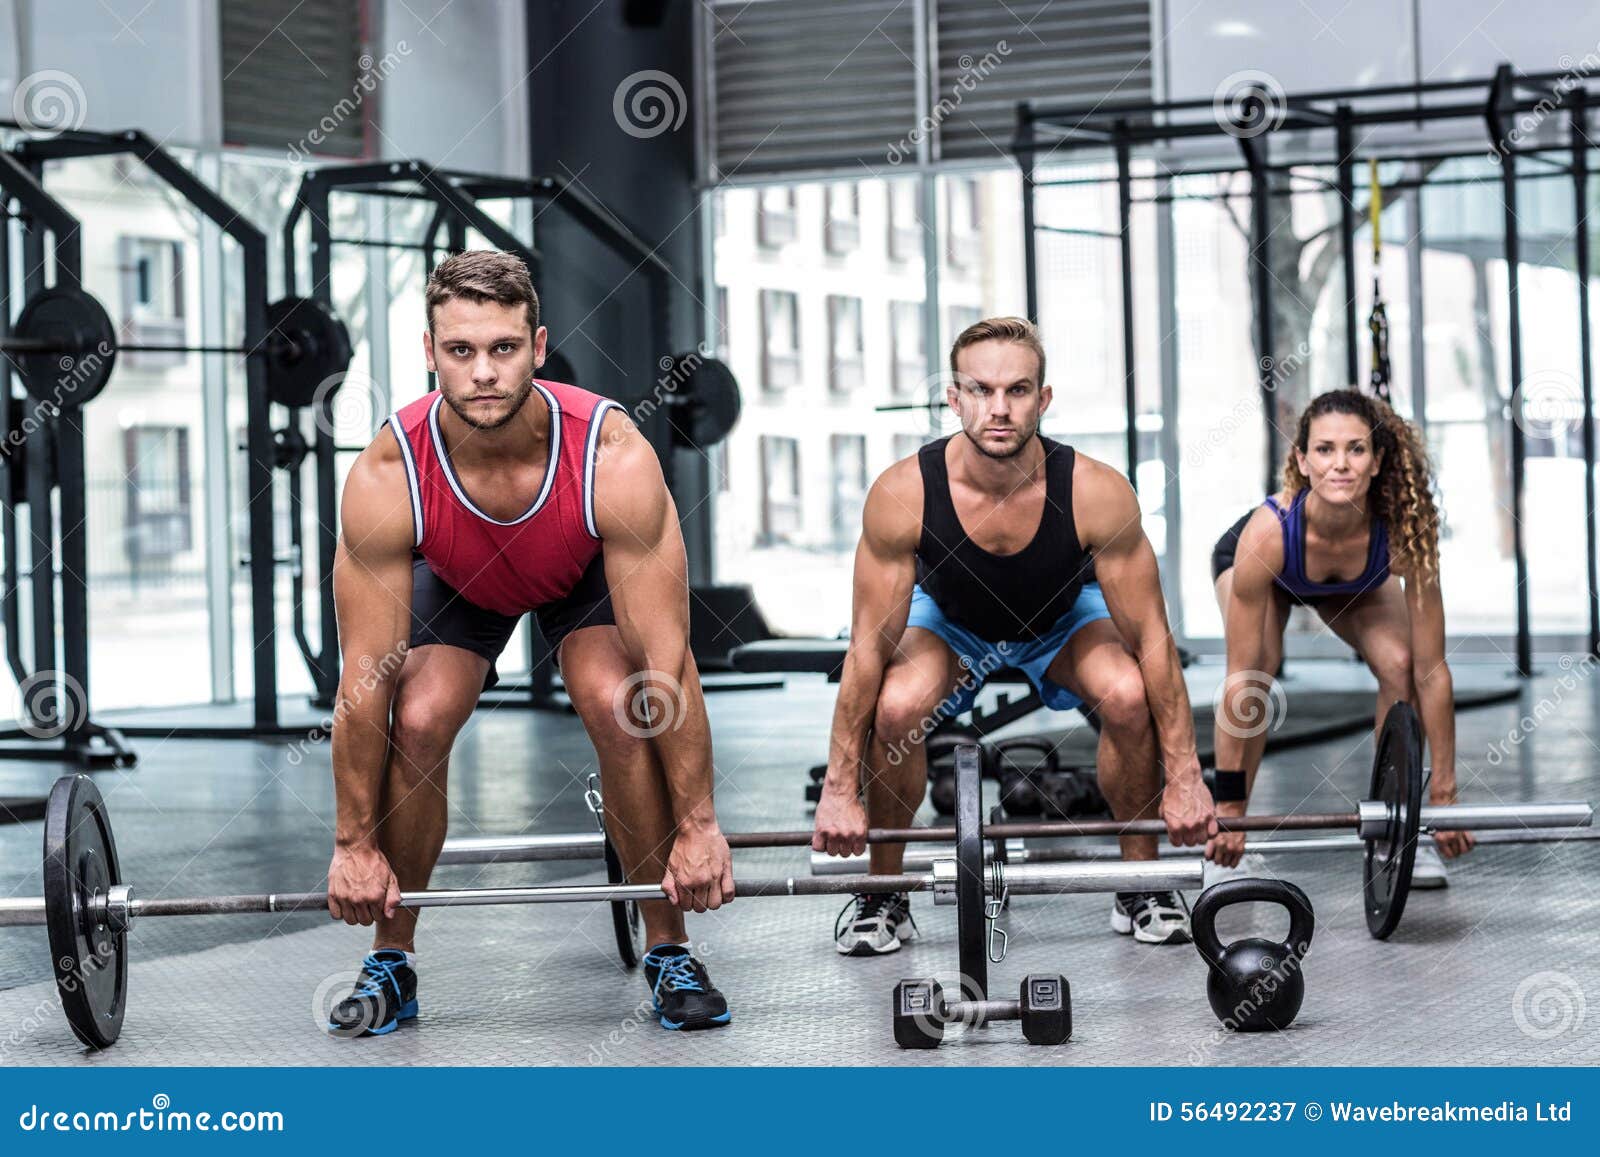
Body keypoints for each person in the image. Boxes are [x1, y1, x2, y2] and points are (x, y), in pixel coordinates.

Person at [325, 250, 734, 1036]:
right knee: (416, 717)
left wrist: (699, 825)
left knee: (622, 706)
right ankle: (392, 961)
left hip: (580, 569)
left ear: (538, 347)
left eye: (503, 348)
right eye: (461, 349)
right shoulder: (388, 470)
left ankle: (669, 949)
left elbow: (668, 667)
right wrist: (352, 842)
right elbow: (360, 684)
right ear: (430, 352)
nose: (483, 371)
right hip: (460, 576)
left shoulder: (611, 455)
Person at [812, 317, 1215, 952]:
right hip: (952, 625)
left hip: (1062, 621)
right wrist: (839, 789)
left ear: (1043, 398)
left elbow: (1154, 641)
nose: (998, 409)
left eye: (1018, 390)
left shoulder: (1097, 491)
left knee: (1128, 693)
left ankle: (1141, 881)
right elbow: (867, 649)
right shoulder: (903, 492)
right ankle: (883, 891)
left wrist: (1186, 776)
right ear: (954, 398)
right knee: (896, 707)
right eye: (981, 389)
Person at [1209, 387, 1471, 885]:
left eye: (1356, 449)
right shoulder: (1268, 532)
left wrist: (1445, 795)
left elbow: (1432, 670)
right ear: (1302, 460)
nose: (1340, 464)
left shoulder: (1404, 530)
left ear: (1377, 461)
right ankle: (1230, 833)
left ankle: (1396, 825)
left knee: (1400, 664)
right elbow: (1239, 680)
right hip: (1271, 572)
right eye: (1325, 449)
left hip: (1351, 582)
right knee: (1260, 670)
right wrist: (1226, 806)